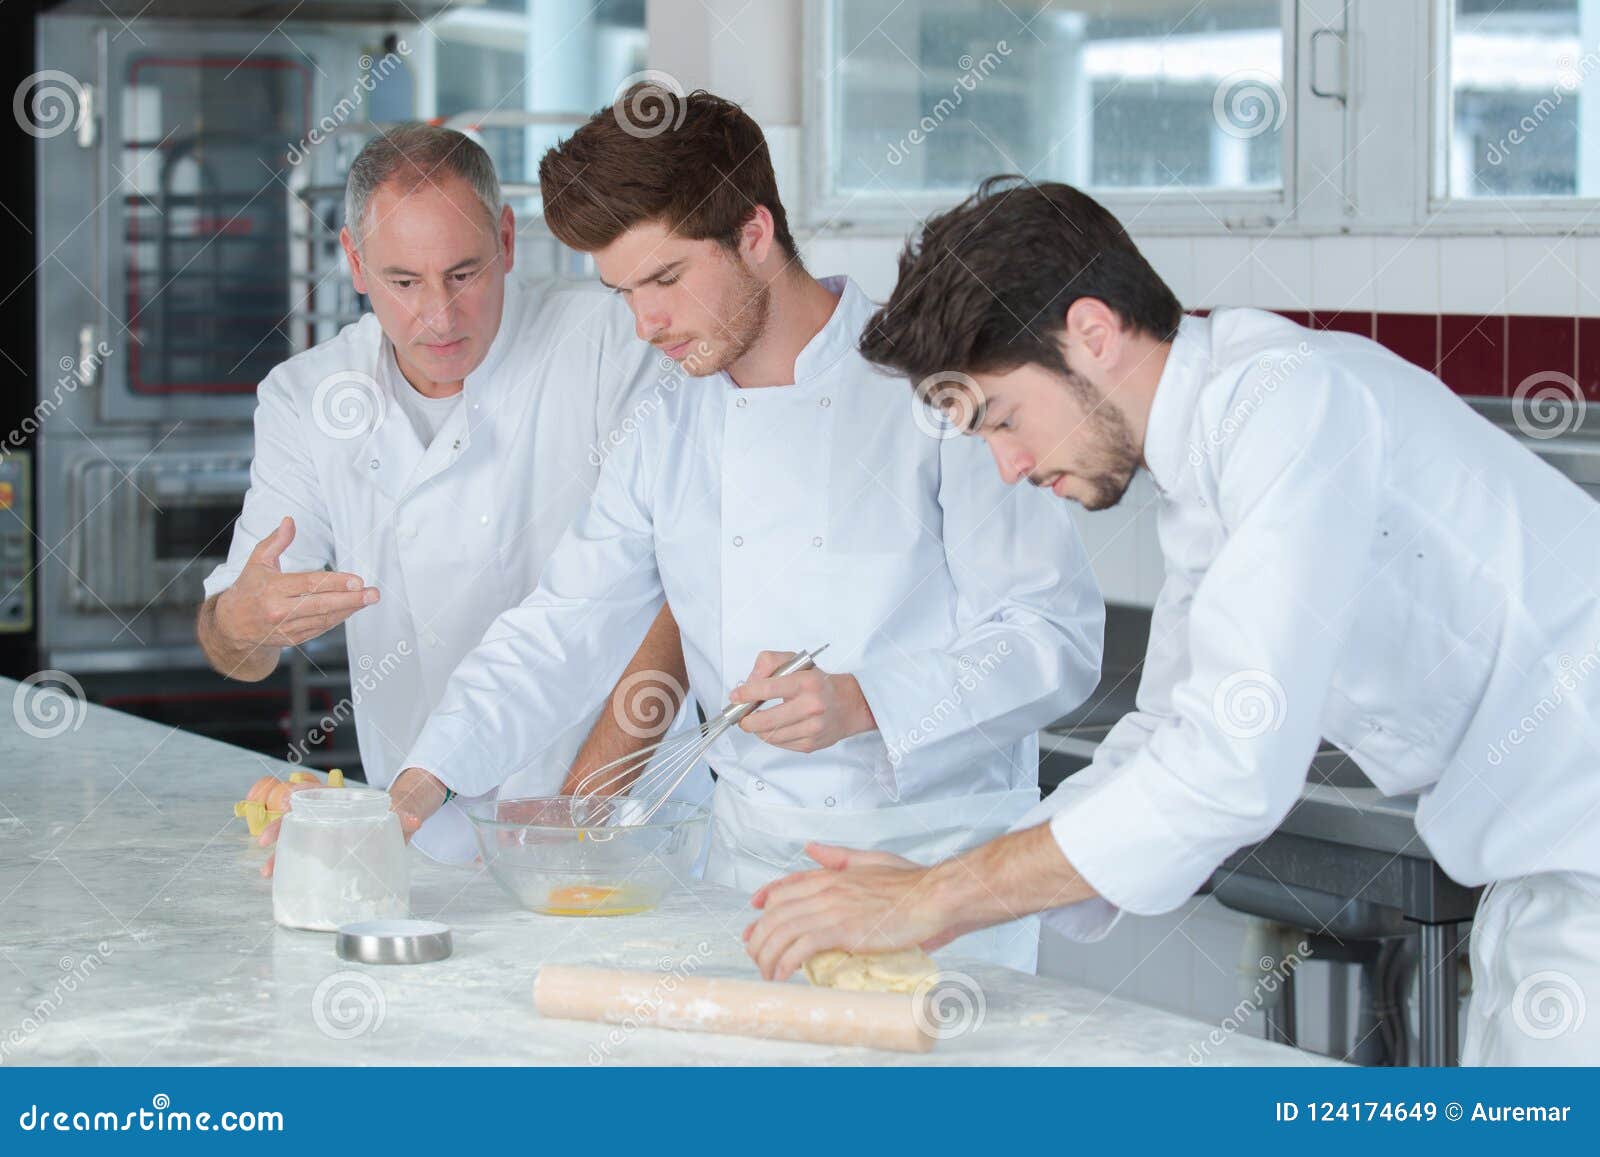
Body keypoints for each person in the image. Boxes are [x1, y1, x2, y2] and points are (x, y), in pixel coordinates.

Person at [744, 176, 1600, 1065]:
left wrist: (943, 898)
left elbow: (1231, 763)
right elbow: (1163, 729)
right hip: (1546, 876)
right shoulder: (1212, 454)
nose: (1007, 465)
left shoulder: (1289, 405)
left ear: (1093, 333)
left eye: (1005, 419)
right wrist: (943, 880)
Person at [386, 92, 1104, 971]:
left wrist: (862, 700)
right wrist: (426, 780)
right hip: (747, 881)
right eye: (622, 293)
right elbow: (561, 625)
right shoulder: (665, 425)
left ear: (755, 234)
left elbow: (1052, 638)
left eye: (665, 279)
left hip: (934, 885)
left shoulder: (939, 386)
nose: (646, 324)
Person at [198, 125, 696, 866]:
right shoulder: (309, 397)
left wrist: (583, 803)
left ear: (506, 239)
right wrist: (244, 620)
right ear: (355, 261)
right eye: (403, 282)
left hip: (626, 825)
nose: (438, 315)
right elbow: (236, 648)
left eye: (464, 274)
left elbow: (680, 595)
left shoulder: (610, 345)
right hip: (419, 835)